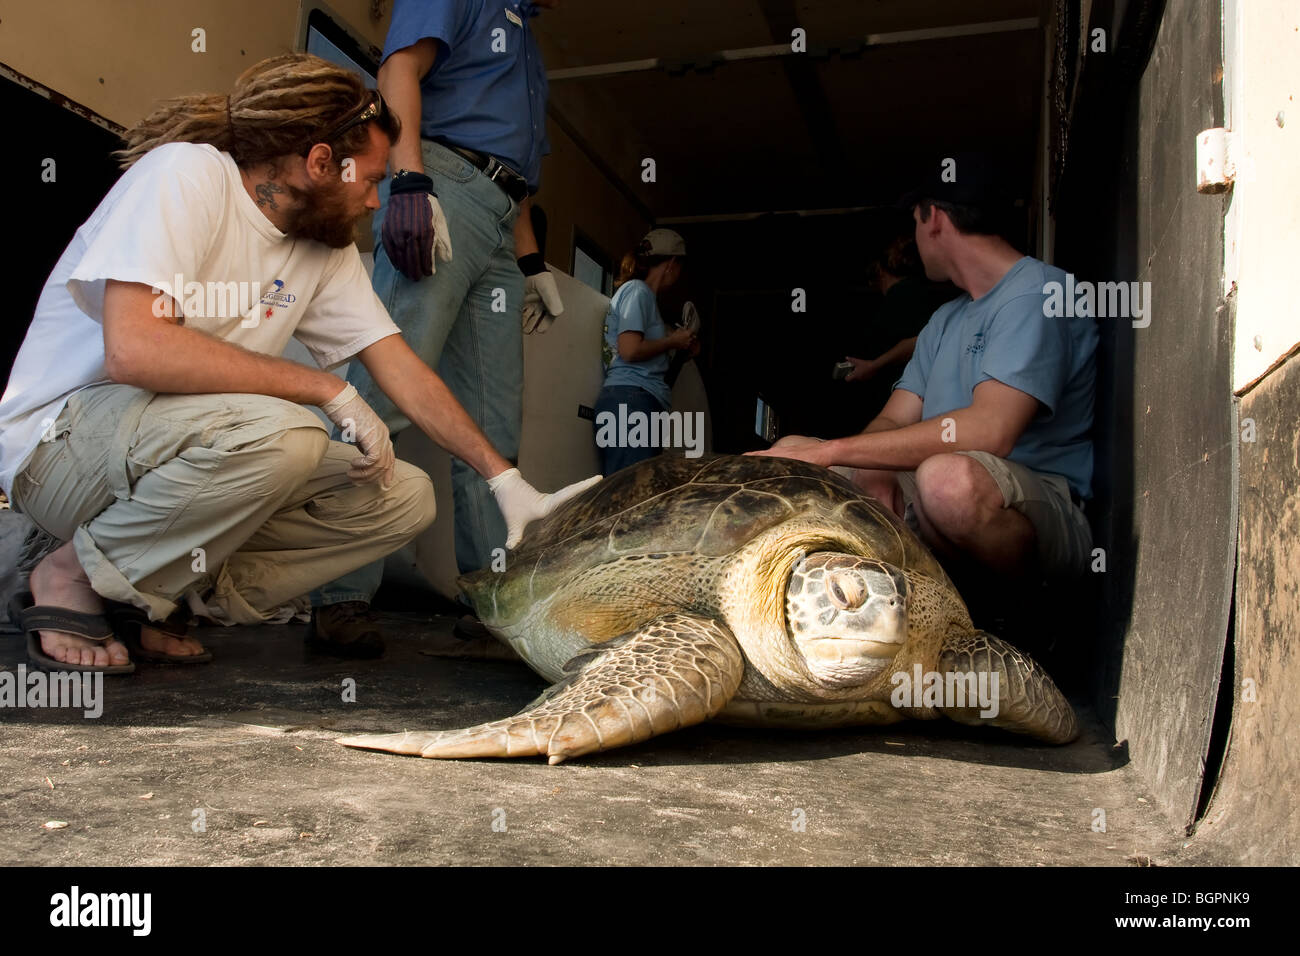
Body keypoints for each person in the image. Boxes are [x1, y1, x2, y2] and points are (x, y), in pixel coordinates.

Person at [0, 53, 595, 673]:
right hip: (59, 447)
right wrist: (323, 390)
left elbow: (401, 367)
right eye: (370, 180)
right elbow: (135, 347)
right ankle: (68, 573)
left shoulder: (321, 247)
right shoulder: (187, 175)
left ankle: (144, 594)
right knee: (290, 435)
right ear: (319, 163)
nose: (375, 202)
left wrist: (506, 482)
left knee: (405, 498)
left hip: (169, 453)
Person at [311, 0, 567, 649]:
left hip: (501, 220)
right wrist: (410, 181)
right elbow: (399, 68)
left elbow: (516, 173)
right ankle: (338, 593)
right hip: (445, 183)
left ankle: (491, 595)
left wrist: (533, 262)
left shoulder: (529, 42)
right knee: (383, 394)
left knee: (495, 423)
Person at [750, 160, 1097, 596]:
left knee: (944, 482)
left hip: (1042, 503)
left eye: (914, 221)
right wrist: (865, 464)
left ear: (933, 218)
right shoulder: (945, 319)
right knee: (790, 451)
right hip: (939, 492)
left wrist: (838, 450)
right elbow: (894, 421)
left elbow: (992, 430)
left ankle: (1031, 624)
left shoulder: (1039, 292)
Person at [594, 229, 696, 476]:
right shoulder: (638, 292)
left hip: (635, 402)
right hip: (631, 402)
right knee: (629, 492)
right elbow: (629, 350)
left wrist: (680, 345)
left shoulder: (642, 297)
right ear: (672, 264)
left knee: (631, 490)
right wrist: (672, 341)